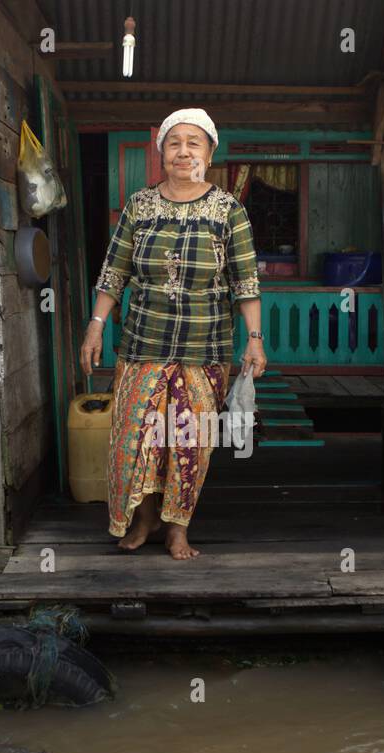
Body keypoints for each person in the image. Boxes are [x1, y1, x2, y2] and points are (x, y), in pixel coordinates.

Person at [81, 107, 265, 560]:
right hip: (143, 345)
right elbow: (114, 272)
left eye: (193, 142)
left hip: (205, 351)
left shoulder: (228, 211)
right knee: (135, 439)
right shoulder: (140, 206)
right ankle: (143, 520)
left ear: (209, 152)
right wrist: (95, 325)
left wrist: (255, 338)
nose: (184, 151)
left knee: (190, 442)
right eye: (174, 142)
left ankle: (178, 528)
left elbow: (246, 282)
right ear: (161, 152)